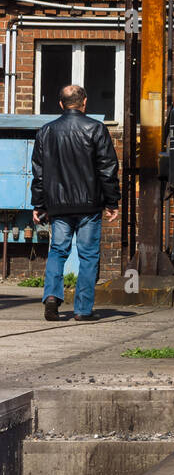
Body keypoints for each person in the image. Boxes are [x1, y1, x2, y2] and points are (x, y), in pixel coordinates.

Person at [31, 84, 120, 322]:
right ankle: (82, 310)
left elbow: (38, 173)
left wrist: (39, 205)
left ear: (60, 104)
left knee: (58, 251)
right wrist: (112, 201)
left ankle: (51, 296)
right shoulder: (96, 128)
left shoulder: (46, 131)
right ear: (85, 102)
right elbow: (108, 168)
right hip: (89, 205)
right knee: (88, 256)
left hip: (58, 206)